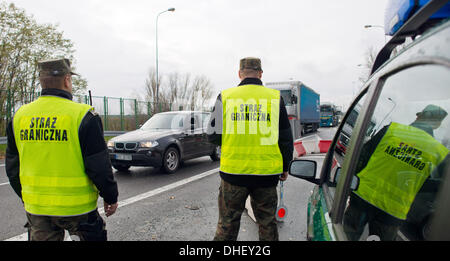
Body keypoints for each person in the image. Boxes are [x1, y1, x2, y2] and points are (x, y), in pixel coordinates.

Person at [5, 58, 119, 241]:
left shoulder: (19, 116)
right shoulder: (83, 115)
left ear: (42, 81)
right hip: (79, 209)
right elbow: (99, 166)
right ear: (67, 80)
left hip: (37, 209)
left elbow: (12, 168)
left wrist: (28, 197)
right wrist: (110, 197)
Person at [208, 57, 293, 241]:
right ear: (260, 74)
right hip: (266, 174)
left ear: (239, 74)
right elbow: (285, 138)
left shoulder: (226, 96)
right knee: (267, 224)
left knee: (227, 225)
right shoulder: (274, 98)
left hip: (233, 174)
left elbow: (212, 135)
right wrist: (285, 166)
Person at [344, 104, 449, 241]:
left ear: (418, 116)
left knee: (345, 236)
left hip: (362, 199)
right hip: (392, 213)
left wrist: (349, 185)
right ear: (437, 124)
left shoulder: (391, 130)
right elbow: (439, 186)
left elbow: (361, 158)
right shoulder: (439, 152)